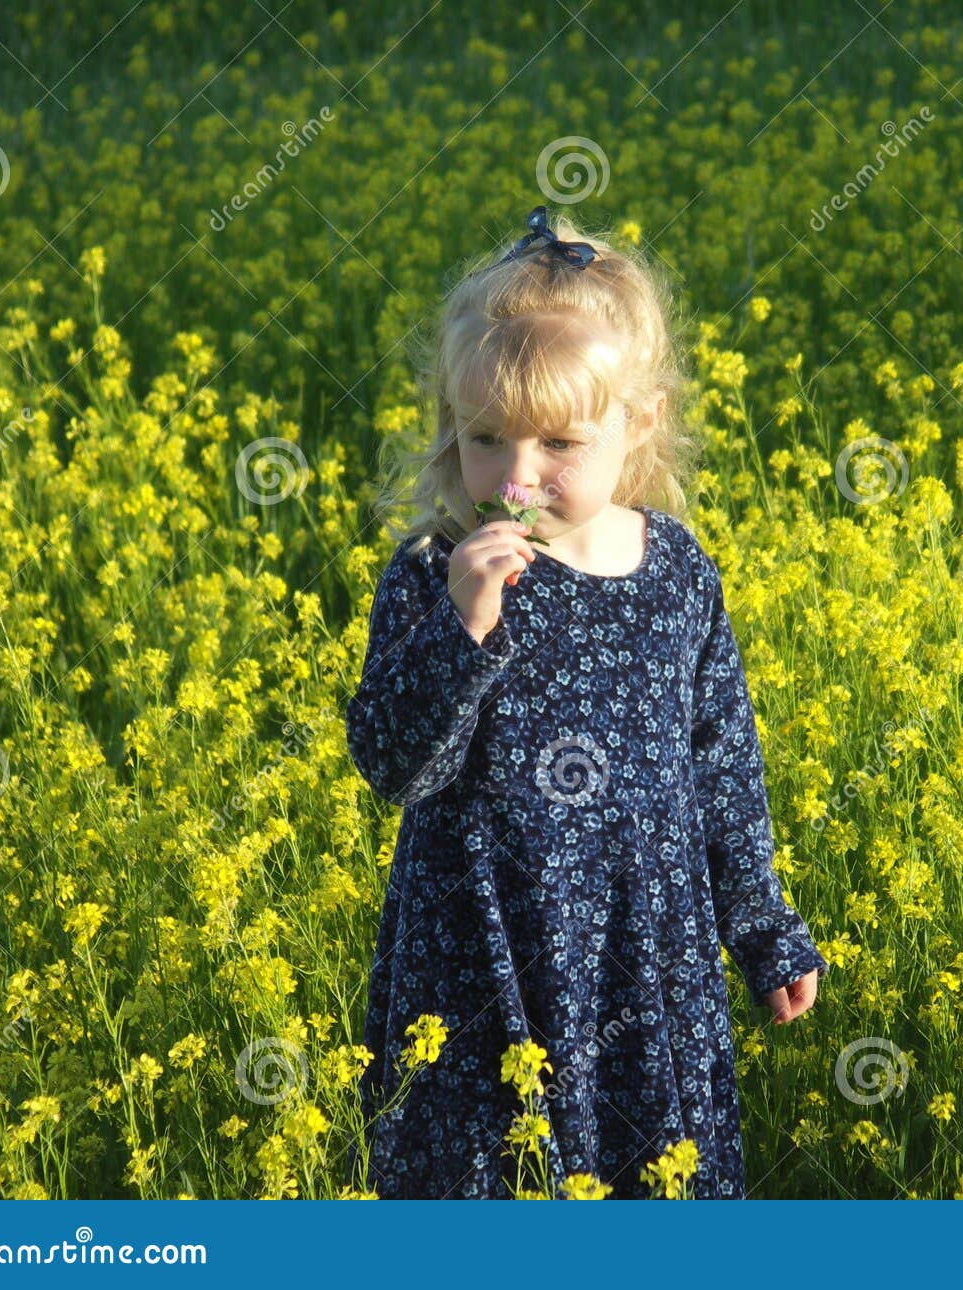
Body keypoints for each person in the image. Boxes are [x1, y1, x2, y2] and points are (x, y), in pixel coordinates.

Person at [343, 204, 828, 1199]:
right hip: (482, 952)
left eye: (557, 443)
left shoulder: (678, 571)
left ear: (635, 424)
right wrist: (463, 627)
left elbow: (720, 764)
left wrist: (761, 926)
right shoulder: (435, 571)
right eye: (484, 440)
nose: (515, 478)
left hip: (644, 954)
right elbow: (395, 767)